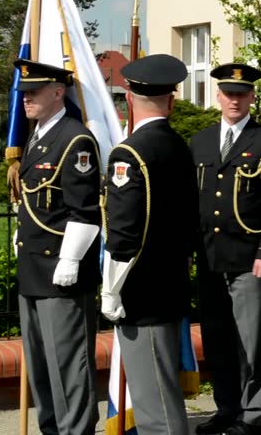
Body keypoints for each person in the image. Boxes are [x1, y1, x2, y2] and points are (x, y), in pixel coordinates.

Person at [192, 63, 261, 435]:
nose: (234, 100)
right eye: (228, 94)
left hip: (250, 259)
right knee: (217, 338)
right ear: (218, 96)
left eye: (242, 94)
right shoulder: (200, 142)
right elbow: (193, 202)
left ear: (252, 97)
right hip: (210, 256)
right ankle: (226, 408)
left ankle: (251, 416)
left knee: (251, 341)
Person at [100, 54, 196, 434]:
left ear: (128, 98)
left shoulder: (130, 153)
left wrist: (111, 290)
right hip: (170, 287)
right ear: (171, 100)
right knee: (162, 396)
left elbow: (125, 235)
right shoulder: (179, 146)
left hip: (140, 293)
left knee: (154, 406)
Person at [13, 59, 102, 435]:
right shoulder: (36, 137)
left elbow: (86, 211)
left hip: (61, 270)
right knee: (41, 365)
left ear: (58, 92)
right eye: (24, 93)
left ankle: (75, 430)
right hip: (33, 268)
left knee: (68, 364)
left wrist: (70, 259)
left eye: (34, 92)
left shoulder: (75, 139)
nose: (26, 98)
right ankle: (52, 429)